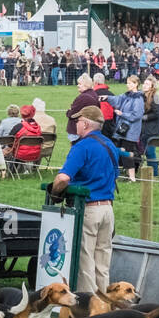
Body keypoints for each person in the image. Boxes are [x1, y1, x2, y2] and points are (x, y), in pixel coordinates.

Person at [51, 106, 119, 293]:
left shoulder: (81, 146)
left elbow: (63, 178)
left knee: (85, 260)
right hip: (107, 208)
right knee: (103, 262)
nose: (76, 125)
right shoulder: (110, 145)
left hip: (87, 208)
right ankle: (105, 305)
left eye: (78, 121)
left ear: (86, 123)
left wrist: (55, 192)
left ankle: (90, 309)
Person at [110, 78, 145, 182]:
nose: (127, 85)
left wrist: (122, 114)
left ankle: (132, 177)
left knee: (128, 153)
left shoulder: (138, 99)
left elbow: (137, 115)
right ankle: (129, 176)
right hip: (124, 130)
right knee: (124, 152)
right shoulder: (128, 96)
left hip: (131, 131)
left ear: (136, 84)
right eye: (127, 83)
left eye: (130, 83)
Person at [65, 75, 100, 142]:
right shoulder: (94, 94)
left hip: (78, 130)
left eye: (80, 84)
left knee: (77, 150)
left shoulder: (83, 98)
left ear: (85, 84)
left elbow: (71, 114)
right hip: (90, 128)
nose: (77, 85)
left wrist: (69, 111)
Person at [139, 78, 159, 178]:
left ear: (152, 86)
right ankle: (147, 173)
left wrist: (144, 117)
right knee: (145, 152)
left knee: (150, 152)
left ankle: (154, 174)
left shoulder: (155, 97)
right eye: (144, 83)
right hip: (142, 130)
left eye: (147, 84)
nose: (144, 85)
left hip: (152, 130)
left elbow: (156, 114)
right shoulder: (141, 96)